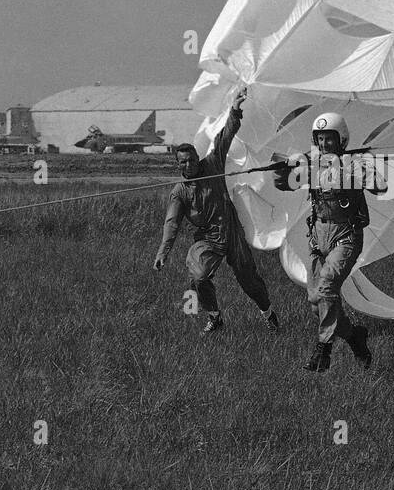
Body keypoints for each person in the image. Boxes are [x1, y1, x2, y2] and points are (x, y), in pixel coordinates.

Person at [154, 87, 279, 334]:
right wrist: (162, 252)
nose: (189, 164)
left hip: (231, 233)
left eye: (191, 159)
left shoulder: (212, 164)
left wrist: (235, 109)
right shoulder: (180, 192)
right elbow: (172, 223)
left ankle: (268, 313)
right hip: (207, 239)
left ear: (197, 157)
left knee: (249, 279)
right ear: (178, 164)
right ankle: (214, 317)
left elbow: (225, 135)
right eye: (183, 162)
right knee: (198, 276)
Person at [300, 113, 375, 372]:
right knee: (316, 302)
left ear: (340, 139)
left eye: (329, 139)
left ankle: (323, 351)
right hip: (318, 236)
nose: (324, 144)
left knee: (327, 289)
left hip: (345, 235)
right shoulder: (312, 164)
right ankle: (355, 337)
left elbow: (380, 186)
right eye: (319, 139)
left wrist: (365, 171)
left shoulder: (353, 163)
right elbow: (284, 183)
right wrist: (282, 169)